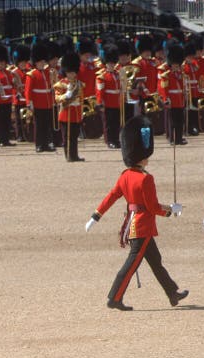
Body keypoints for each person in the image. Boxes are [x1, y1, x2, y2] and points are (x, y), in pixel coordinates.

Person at [84, 115, 187, 311]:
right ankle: (114, 297)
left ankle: (172, 293)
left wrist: (95, 216)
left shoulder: (125, 176)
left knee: (156, 262)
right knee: (131, 266)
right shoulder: (145, 179)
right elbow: (152, 207)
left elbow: (111, 197)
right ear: (141, 156)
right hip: (142, 227)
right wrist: (170, 211)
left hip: (132, 223)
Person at [54, 52, 84, 162]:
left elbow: (81, 99)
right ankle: (69, 156)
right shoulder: (61, 84)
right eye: (69, 73)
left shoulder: (79, 84)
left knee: (74, 136)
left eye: (73, 72)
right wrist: (66, 95)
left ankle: (75, 155)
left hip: (75, 113)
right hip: (66, 113)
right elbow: (57, 98)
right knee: (67, 137)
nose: (71, 75)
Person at [25, 42, 54, 153]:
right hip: (37, 103)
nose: (42, 63)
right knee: (39, 125)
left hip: (47, 102)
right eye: (40, 61)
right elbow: (28, 91)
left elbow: (51, 87)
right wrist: (29, 103)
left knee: (47, 125)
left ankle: (46, 144)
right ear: (36, 62)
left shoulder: (48, 73)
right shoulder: (32, 74)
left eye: (43, 61)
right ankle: (39, 144)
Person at [96, 44, 123, 150]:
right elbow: (99, 91)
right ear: (106, 64)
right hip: (107, 102)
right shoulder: (102, 76)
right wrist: (100, 102)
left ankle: (116, 140)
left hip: (117, 102)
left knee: (116, 123)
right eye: (109, 63)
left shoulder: (118, 74)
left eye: (113, 63)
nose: (111, 65)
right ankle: (110, 141)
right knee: (109, 124)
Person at [159, 44, 186, 146]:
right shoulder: (166, 75)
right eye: (174, 65)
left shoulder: (181, 75)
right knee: (172, 121)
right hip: (172, 101)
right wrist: (166, 100)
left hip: (179, 100)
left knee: (180, 121)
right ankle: (172, 138)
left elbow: (182, 88)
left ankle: (179, 138)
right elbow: (164, 89)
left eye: (177, 65)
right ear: (171, 64)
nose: (176, 67)